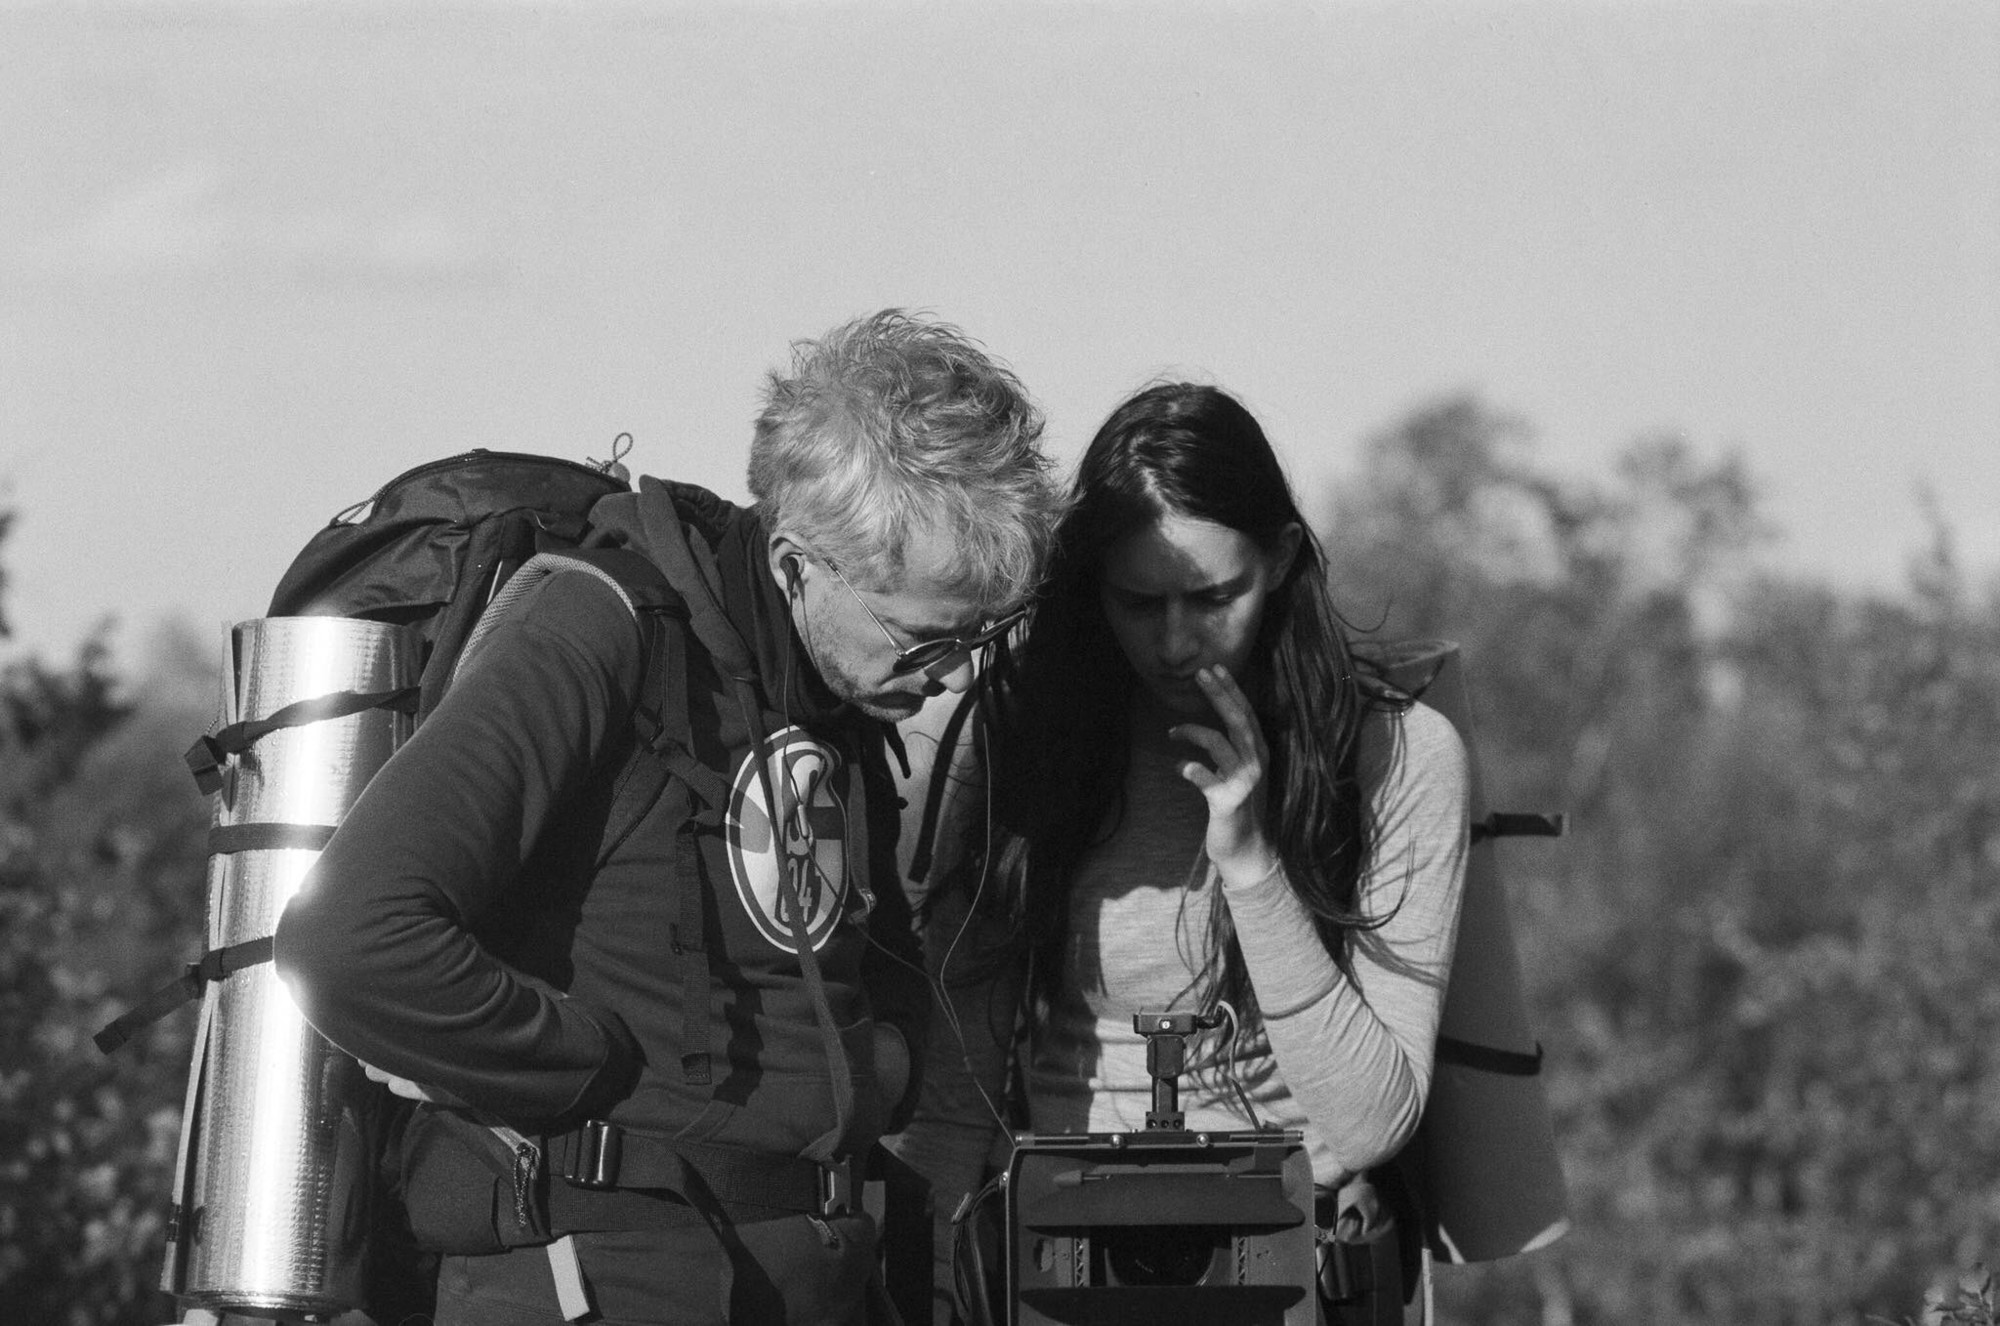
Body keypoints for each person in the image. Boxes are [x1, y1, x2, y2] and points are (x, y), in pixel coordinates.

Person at [274, 310, 1061, 1326]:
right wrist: (584, 1066)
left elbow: (857, 954)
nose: (948, 675)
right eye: (919, 642)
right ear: (793, 567)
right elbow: (350, 940)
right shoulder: (594, 630)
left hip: (814, 1276)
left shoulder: (832, 691)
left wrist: (887, 1067)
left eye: (973, 638)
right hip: (591, 1283)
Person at [890, 382, 1471, 1325]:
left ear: (1281, 561)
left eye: (1212, 597)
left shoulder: (1397, 756)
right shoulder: (1024, 741)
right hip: (1061, 1266)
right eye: (1137, 602)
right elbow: (958, 1090)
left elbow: (1369, 1121)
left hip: (1293, 1270)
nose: (1173, 642)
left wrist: (1251, 866)